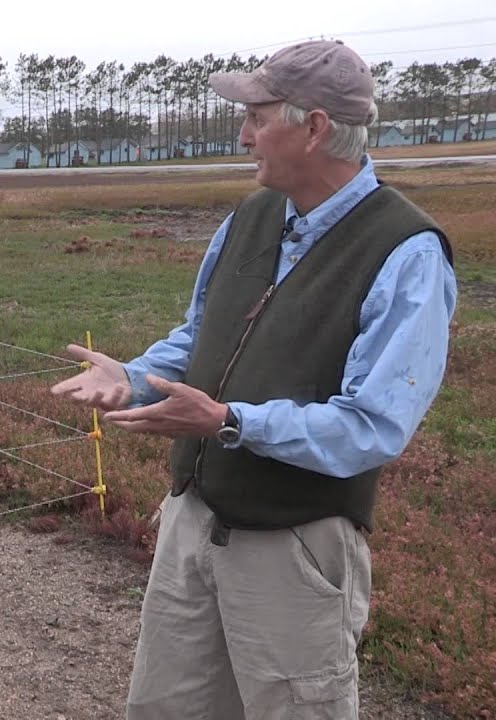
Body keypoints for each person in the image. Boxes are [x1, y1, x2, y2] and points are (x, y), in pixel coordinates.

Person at [51, 40, 456, 719]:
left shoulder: (406, 251)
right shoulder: (252, 215)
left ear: (315, 127)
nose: (243, 136)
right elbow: (199, 336)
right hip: (193, 520)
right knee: (164, 706)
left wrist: (230, 423)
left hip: (296, 544)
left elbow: (371, 426)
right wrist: (137, 376)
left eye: (257, 117)